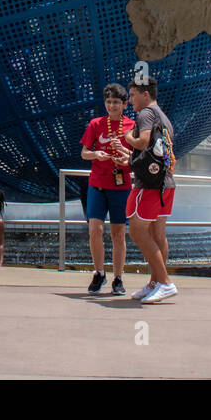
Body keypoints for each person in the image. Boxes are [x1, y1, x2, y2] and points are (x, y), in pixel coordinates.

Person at [122, 76, 177, 304]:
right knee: (157, 233)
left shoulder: (145, 113)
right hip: (166, 182)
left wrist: (127, 137)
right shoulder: (164, 117)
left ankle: (165, 282)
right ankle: (155, 283)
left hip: (150, 185)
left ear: (146, 94)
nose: (130, 100)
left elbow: (143, 142)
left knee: (136, 230)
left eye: (133, 95)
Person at [79, 82, 133, 295]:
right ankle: (99, 273)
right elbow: (84, 152)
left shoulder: (132, 126)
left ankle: (118, 278)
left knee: (118, 234)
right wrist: (96, 155)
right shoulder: (95, 124)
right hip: (97, 184)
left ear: (125, 104)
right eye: (109, 102)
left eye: (116, 103)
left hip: (121, 186)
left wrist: (125, 158)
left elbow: (138, 157)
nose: (112, 106)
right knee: (95, 230)